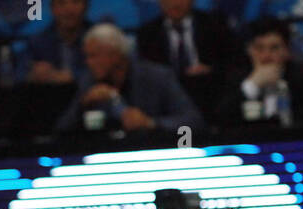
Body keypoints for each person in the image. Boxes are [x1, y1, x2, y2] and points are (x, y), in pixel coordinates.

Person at [55, 24, 203, 135]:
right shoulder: (89, 81)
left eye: (94, 56)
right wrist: (83, 104)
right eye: (87, 56)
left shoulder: (157, 77)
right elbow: (60, 131)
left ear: (115, 54)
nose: (88, 62)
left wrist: (151, 123)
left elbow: (194, 121)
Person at [215, 17, 303, 126]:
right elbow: (220, 120)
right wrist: (252, 85)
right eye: (259, 48)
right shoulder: (237, 77)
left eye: (274, 48)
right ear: (249, 51)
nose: (266, 56)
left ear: (287, 51)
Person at [135, 0, 237, 114]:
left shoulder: (215, 24)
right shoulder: (147, 34)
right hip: (167, 100)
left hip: (210, 93)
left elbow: (235, 63)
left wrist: (210, 70)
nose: (175, 3)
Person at [28, 0, 94, 86]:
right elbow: (19, 73)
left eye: (75, 2)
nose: (69, 9)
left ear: (86, 6)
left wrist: (71, 76)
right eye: (61, 3)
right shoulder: (38, 42)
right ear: (52, 9)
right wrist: (33, 74)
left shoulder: (98, 39)